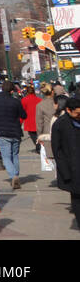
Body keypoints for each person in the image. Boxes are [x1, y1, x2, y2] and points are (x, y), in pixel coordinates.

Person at [0, 81, 26, 189]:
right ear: (12, 90)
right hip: (15, 131)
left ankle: (13, 176)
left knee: (6, 156)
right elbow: (23, 115)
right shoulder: (16, 101)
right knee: (15, 155)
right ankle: (16, 175)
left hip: (1, 132)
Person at [55, 96, 80, 230]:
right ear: (68, 110)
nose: (79, 116)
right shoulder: (60, 124)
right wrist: (65, 173)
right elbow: (57, 150)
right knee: (77, 200)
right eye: (77, 113)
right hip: (73, 170)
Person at [22, 85, 42, 149]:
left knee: (33, 136)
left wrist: (20, 121)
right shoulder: (39, 100)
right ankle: (40, 146)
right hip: (39, 121)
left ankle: (38, 146)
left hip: (29, 122)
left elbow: (23, 112)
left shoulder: (24, 100)